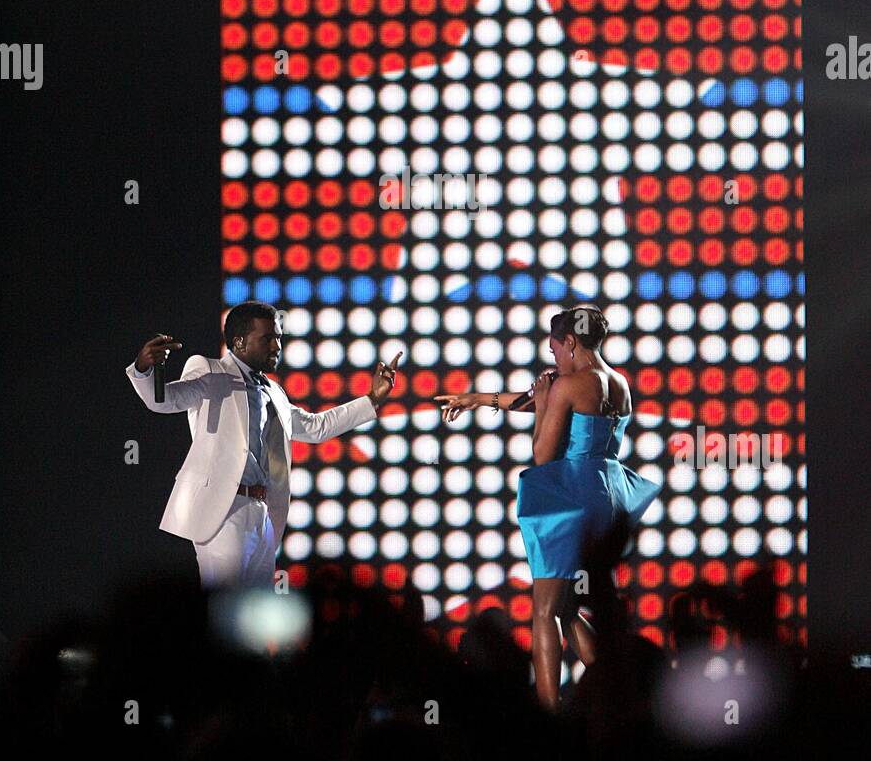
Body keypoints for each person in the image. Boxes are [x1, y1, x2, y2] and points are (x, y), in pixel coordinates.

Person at [436, 305, 657, 709]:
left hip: (569, 500)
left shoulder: (569, 387)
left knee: (543, 611)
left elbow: (542, 453)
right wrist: (476, 399)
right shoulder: (618, 383)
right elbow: (535, 399)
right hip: (608, 493)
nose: (553, 357)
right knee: (567, 607)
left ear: (569, 342)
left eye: (555, 349)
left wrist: (543, 405)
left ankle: (548, 717)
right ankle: (619, 690)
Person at [126, 300, 402, 590]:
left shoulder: (273, 391)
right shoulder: (210, 372)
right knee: (225, 606)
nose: (277, 346)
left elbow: (315, 427)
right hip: (223, 509)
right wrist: (145, 369)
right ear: (239, 342)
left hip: (262, 511)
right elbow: (163, 401)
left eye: (279, 338)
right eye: (267, 338)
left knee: (253, 613)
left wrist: (373, 399)